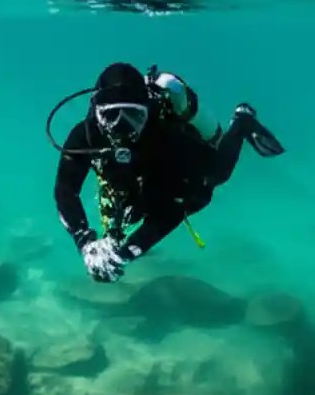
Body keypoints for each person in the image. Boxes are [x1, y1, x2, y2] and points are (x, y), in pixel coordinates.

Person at [48, 62, 284, 282]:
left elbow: (181, 206)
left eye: (133, 116)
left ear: (147, 113)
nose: (122, 129)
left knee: (216, 176)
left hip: (168, 165)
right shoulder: (85, 135)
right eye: (111, 116)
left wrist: (128, 252)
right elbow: (66, 189)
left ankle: (241, 123)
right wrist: (85, 243)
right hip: (133, 174)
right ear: (96, 112)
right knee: (126, 203)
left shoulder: (166, 137)